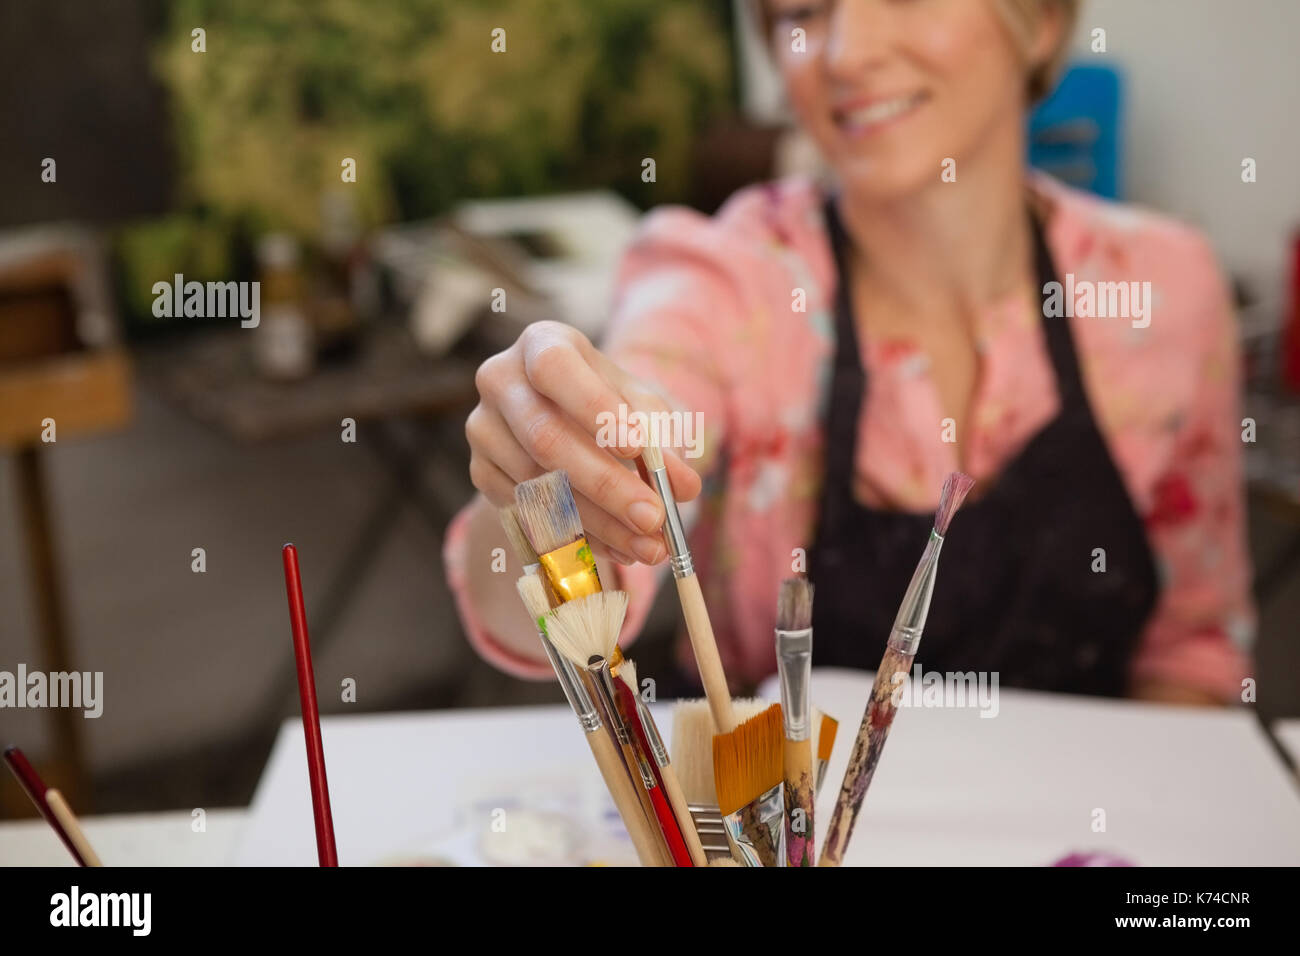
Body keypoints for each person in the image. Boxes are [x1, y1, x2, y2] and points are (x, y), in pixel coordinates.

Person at [446, 0, 1253, 705]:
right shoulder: (727, 281)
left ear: (1038, 20)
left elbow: (1193, 649)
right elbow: (570, 587)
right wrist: (546, 481)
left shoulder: (1163, 288)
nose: (844, 53)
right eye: (801, 12)